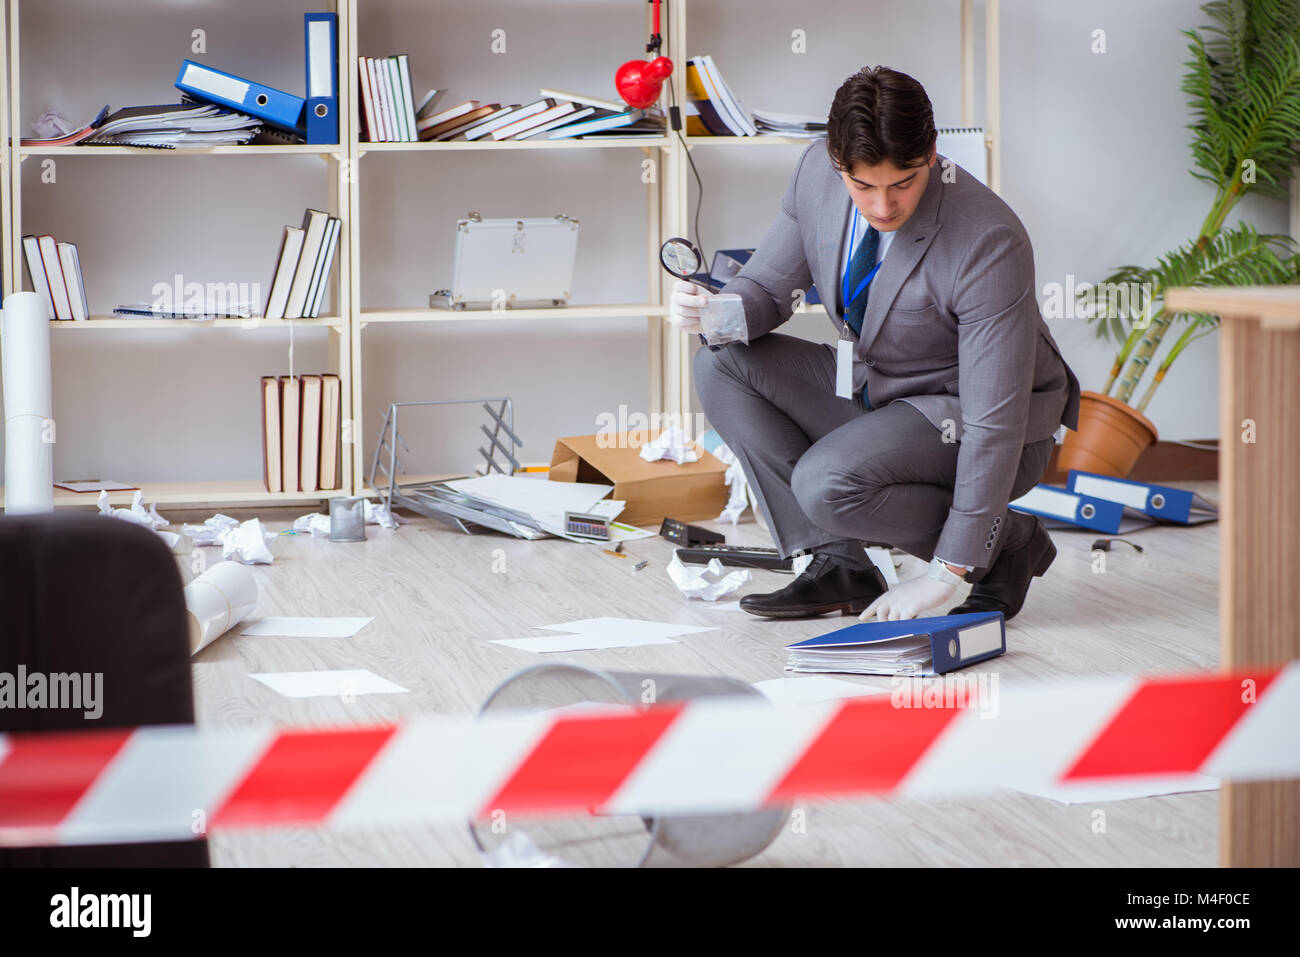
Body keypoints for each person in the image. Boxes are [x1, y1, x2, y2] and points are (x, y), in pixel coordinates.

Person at [672, 66, 1080, 622]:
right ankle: (840, 564)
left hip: (976, 417)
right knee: (721, 363)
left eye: (903, 183)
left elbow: (993, 420)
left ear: (931, 154)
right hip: (881, 391)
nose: (883, 207)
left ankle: (1006, 543)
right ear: (836, 160)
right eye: (863, 186)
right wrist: (714, 313)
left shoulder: (988, 240)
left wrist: (947, 571)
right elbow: (769, 288)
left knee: (826, 483)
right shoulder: (816, 173)